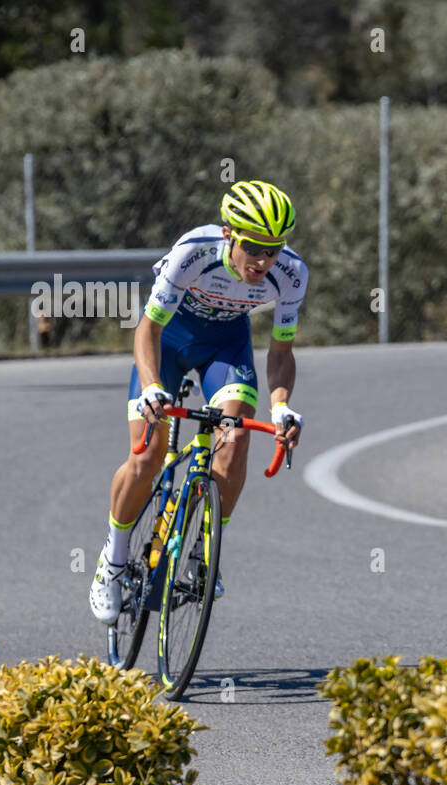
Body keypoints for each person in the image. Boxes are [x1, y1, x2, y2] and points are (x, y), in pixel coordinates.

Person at [88, 180, 307, 624]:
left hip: (225, 349)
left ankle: (204, 556)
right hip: (168, 343)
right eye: (254, 247)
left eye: (274, 249)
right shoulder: (194, 251)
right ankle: (112, 561)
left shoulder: (292, 274)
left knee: (235, 442)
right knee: (147, 455)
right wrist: (151, 387)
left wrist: (281, 407)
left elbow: (281, 352)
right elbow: (147, 330)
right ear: (229, 234)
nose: (264, 261)